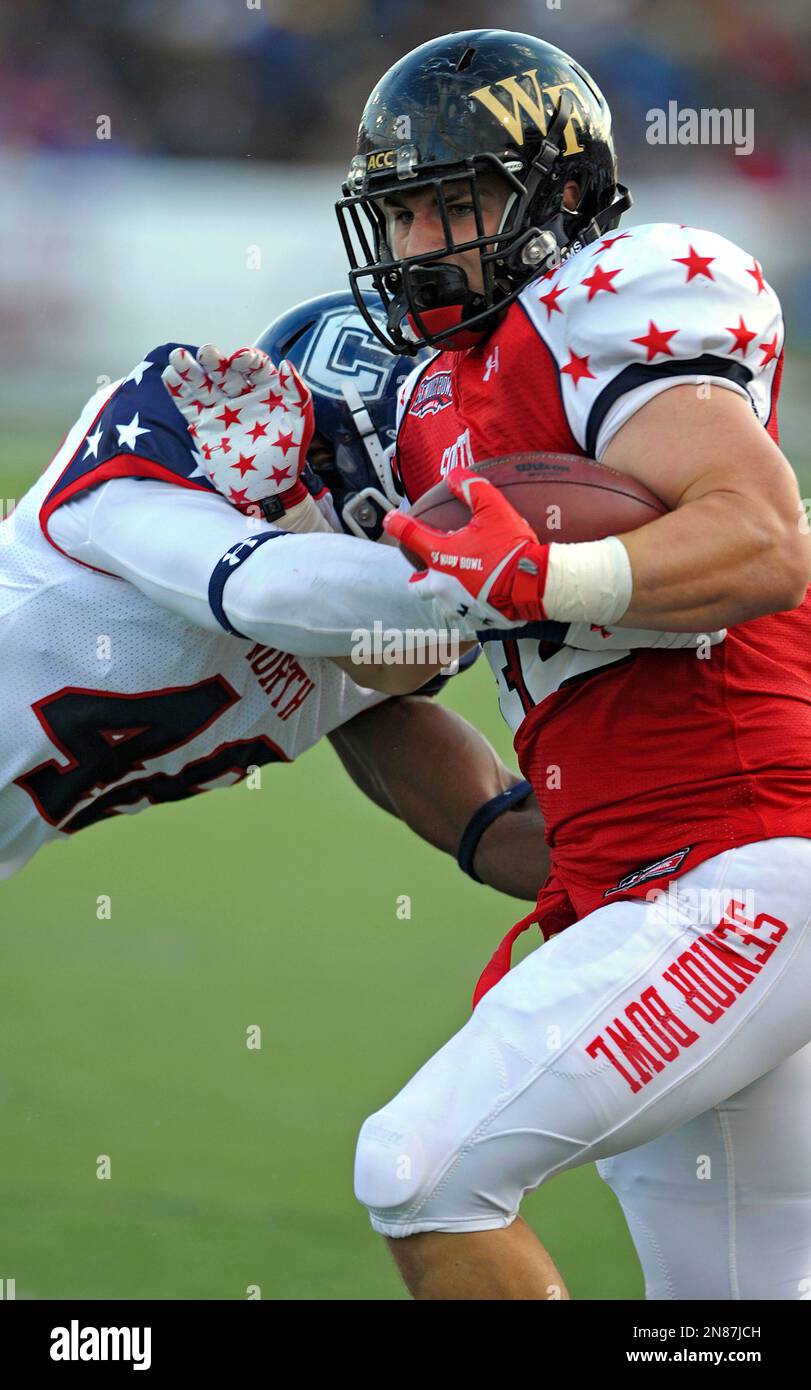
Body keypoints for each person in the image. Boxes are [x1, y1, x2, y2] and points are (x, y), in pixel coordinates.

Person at [328, 29, 811, 1300]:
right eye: (405, 213)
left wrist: (549, 577)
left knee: (419, 1169)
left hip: (747, 857)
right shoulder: (443, 388)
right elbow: (380, 685)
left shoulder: (600, 301)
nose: (426, 243)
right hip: (643, 880)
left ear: (562, 194)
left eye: (459, 201)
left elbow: (763, 540)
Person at [0, 290, 544, 898]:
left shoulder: (386, 621)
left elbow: (497, 830)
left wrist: (651, 868)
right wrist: (572, 578)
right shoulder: (164, 440)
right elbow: (265, 594)